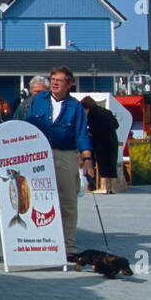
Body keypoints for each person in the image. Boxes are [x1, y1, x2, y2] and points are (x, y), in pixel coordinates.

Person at [25, 67, 93, 259]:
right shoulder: (38, 100)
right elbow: (27, 126)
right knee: (35, 198)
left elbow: (82, 135)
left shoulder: (76, 107)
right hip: (38, 154)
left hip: (65, 154)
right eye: (53, 79)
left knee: (67, 201)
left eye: (59, 80)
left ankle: (68, 246)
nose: (54, 83)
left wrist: (87, 159)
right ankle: (37, 242)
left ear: (69, 84)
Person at [82, 96, 119, 194]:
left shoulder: (93, 115)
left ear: (87, 108)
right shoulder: (107, 112)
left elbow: (93, 130)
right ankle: (112, 188)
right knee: (112, 164)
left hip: (101, 142)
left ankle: (103, 187)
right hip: (113, 140)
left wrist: (90, 132)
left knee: (103, 164)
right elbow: (116, 125)